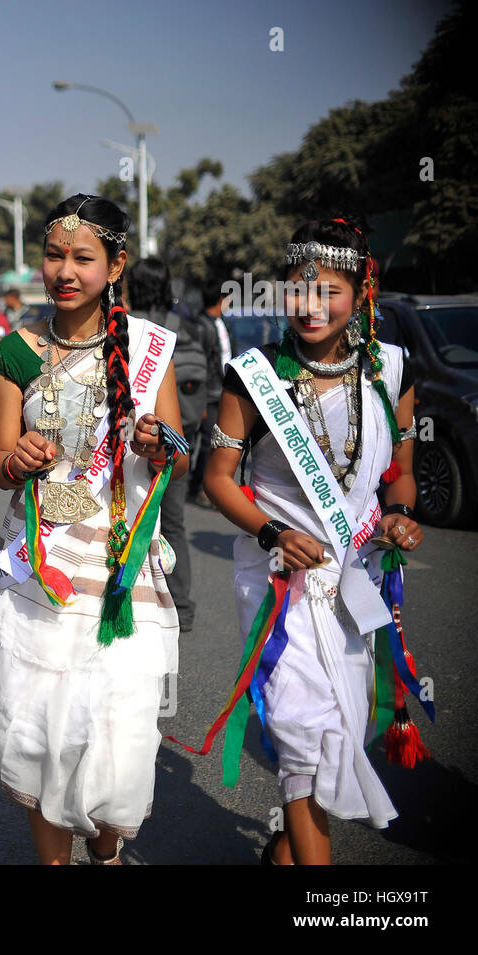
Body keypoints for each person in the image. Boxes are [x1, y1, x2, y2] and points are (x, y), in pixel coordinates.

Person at [203, 216, 423, 864]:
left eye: (326, 289)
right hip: (282, 587)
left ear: (361, 293)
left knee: (342, 733)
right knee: (304, 737)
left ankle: (285, 849)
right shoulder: (254, 376)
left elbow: (401, 471)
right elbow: (219, 478)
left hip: (354, 584)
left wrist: (400, 516)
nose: (309, 305)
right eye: (296, 289)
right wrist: (272, 529)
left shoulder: (391, 371)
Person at [0, 195, 185, 865]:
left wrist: (161, 445)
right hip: (45, 570)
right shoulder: (15, 351)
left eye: (82, 257)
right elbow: (0, 466)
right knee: (42, 733)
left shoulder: (148, 351)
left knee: (115, 733)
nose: (64, 270)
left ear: (116, 263)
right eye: (53, 256)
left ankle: (104, 853)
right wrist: (16, 459)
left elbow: (177, 455)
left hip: (121, 571)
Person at [126, 257, 216, 632]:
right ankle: (180, 605)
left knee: (130, 512)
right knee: (173, 519)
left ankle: (132, 597)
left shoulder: (131, 330)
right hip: (184, 433)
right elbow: (214, 370)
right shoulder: (190, 326)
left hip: (136, 438)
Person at [189, 276, 233, 504]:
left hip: (221, 390)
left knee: (211, 442)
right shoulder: (200, 326)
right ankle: (198, 488)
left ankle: (198, 485)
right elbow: (199, 365)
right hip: (206, 394)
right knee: (204, 443)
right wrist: (200, 400)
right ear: (220, 300)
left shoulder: (222, 323)